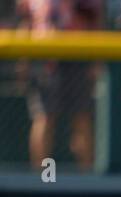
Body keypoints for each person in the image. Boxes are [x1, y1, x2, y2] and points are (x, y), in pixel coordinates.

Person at [16, 0, 103, 172]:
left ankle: (86, 182)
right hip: (44, 57)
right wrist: (23, 58)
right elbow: (26, 21)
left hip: (79, 56)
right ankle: (44, 179)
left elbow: (96, 21)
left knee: (81, 118)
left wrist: (97, 60)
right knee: (45, 118)